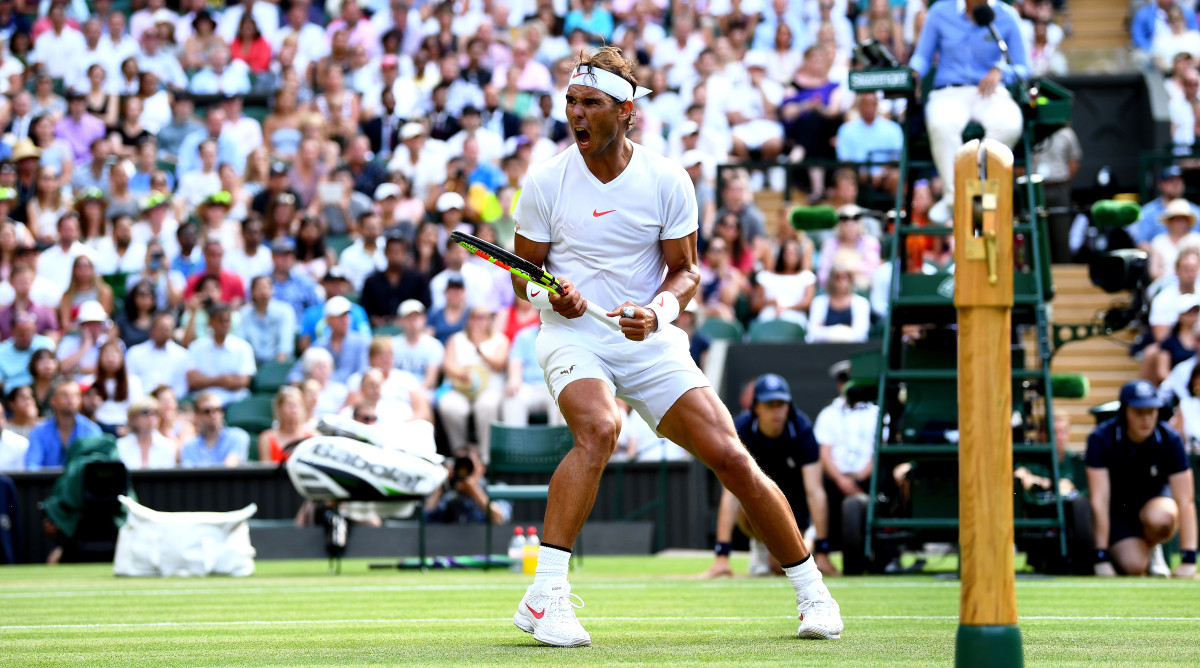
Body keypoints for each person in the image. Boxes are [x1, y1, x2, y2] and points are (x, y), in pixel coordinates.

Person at [508, 48, 841, 647]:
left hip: (647, 336)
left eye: (591, 104)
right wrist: (550, 298)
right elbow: (521, 275)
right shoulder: (545, 181)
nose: (576, 115)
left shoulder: (667, 180)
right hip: (572, 332)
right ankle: (548, 594)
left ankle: (811, 590)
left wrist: (656, 312)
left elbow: (685, 272)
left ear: (626, 111)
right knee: (599, 428)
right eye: (571, 103)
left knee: (733, 457)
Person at [701, 374, 838, 578]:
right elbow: (729, 495)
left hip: (795, 510)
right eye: (769, 404)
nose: (776, 410)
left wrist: (824, 552)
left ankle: (808, 541)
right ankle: (761, 543)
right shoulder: (740, 430)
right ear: (756, 407)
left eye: (781, 404)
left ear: (788, 407)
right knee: (740, 497)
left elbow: (815, 492)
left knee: (780, 567)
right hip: (756, 507)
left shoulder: (802, 430)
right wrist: (722, 556)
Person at [909, 0, 1028, 223]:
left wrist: (1001, 71)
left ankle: (966, 191)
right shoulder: (939, 12)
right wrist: (914, 72)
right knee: (941, 124)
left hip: (990, 92)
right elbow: (922, 56)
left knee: (1011, 123)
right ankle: (957, 199)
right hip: (949, 92)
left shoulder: (1006, 15)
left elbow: (1023, 67)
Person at [1087, 380, 1196, 578]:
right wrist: (1100, 557)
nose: (1146, 419)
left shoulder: (1170, 439)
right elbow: (1099, 500)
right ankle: (1136, 552)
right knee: (1133, 566)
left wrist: (1189, 559)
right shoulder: (1101, 438)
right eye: (1139, 412)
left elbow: (1185, 500)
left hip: (1154, 505)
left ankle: (1154, 548)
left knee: (1162, 518)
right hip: (1118, 511)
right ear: (1125, 411)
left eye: (1151, 411)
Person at [185, 304, 256, 406]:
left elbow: (243, 381)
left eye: (227, 321)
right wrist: (224, 380)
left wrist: (205, 380)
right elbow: (192, 380)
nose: (224, 325)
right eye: (220, 321)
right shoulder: (196, 347)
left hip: (234, 400)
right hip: (204, 401)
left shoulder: (243, 347)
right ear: (210, 322)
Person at [24, 378, 103, 470]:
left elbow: (96, 466)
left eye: (76, 395)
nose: (71, 399)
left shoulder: (92, 430)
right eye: (65, 395)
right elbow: (32, 466)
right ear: (53, 400)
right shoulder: (39, 432)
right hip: (46, 483)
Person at [236, 275, 297, 365]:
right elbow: (240, 341)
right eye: (260, 288)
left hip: (277, 364)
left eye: (267, 287)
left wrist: (274, 368)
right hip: (251, 364)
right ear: (252, 291)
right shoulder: (245, 312)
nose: (264, 291)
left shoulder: (285, 311)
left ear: (272, 290)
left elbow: (285, 345)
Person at [180, 390, 250, 467]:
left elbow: (228, 469)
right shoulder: (189, 446)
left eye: (217, 409)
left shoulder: (238, 436)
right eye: (207, 411)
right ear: (197, 415)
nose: (213, 415)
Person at [115, 396, 177, 470]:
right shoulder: (120, 445)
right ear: (133, 418)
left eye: (155, 413)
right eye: (145, 412)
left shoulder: (168, 446)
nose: (151, 417)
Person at [0, 311, 53, 393]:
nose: (26, 336)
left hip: (41, 391)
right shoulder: (2, 351)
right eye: (22, 333)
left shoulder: (45, 344)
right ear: (12, 331)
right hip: (11, 396)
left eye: (30, 332)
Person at [257, 385, 311, 464]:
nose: (294, 409)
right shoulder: (267, 439)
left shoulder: (312, 437)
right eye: (290, 405)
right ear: (279, 408)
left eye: (298, 404)